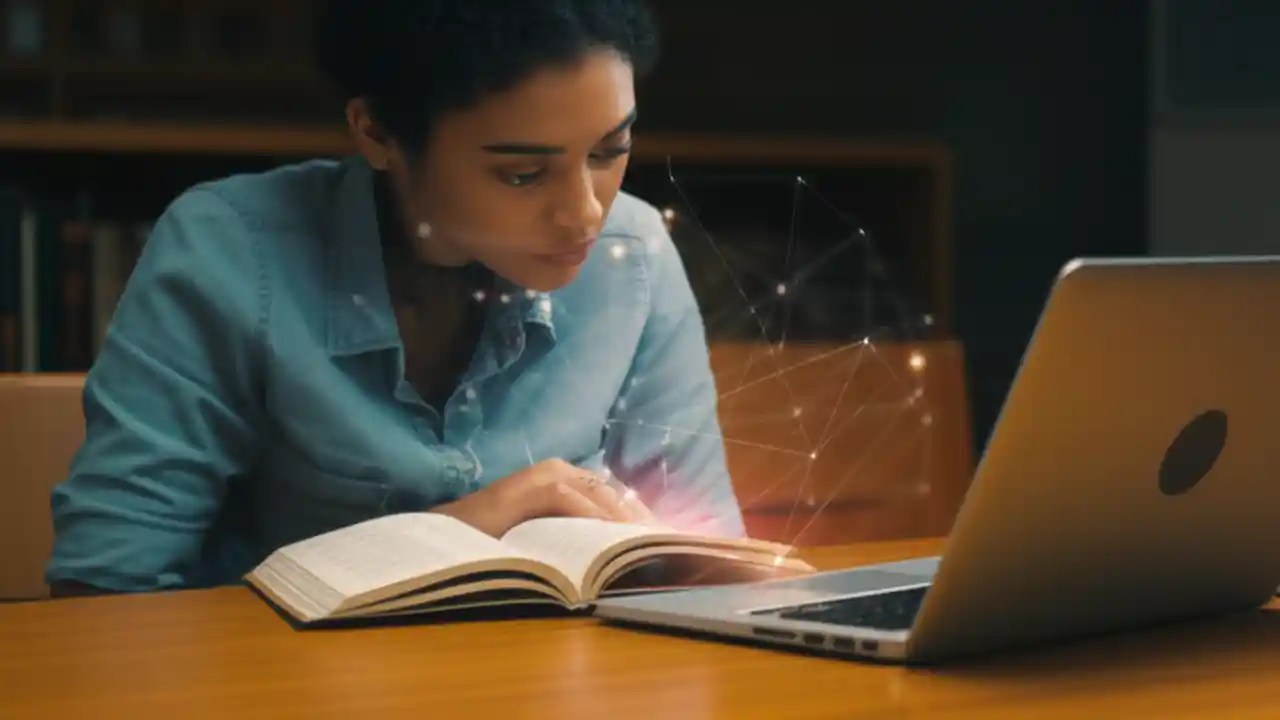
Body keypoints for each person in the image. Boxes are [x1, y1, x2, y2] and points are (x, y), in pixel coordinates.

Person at [45, 0, 746, 595]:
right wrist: (462, 530)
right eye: (524, 174)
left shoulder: (636, 255)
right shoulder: (229, 253)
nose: (586, 213)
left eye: (609, 151)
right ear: (377, 132)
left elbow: (708, 559)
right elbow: (102, 593)